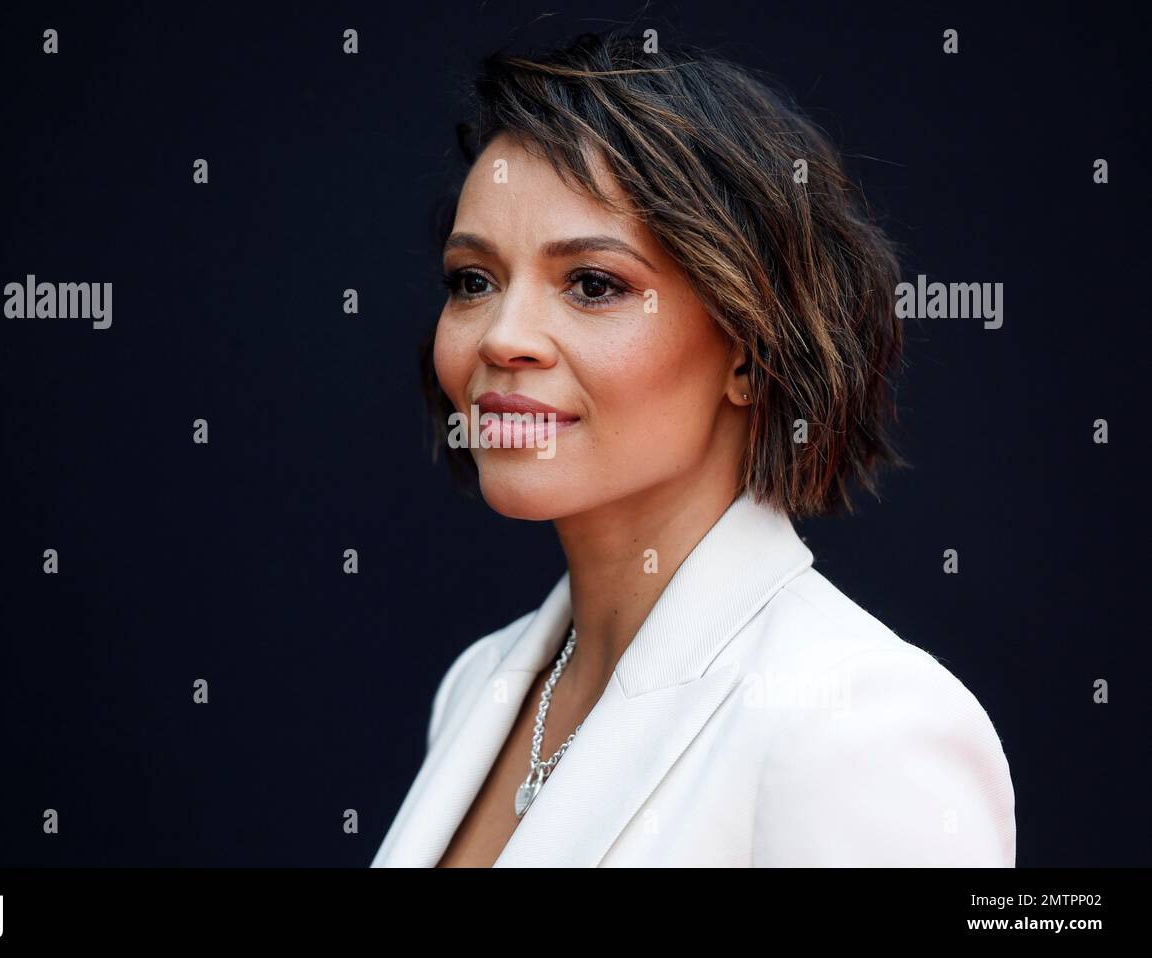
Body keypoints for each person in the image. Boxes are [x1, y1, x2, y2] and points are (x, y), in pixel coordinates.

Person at [371, 31, 1015, 867]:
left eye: (594, 285)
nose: (505, 337)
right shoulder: (480, 685)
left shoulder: (860, 721)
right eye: (474, 280)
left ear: (748, 347)